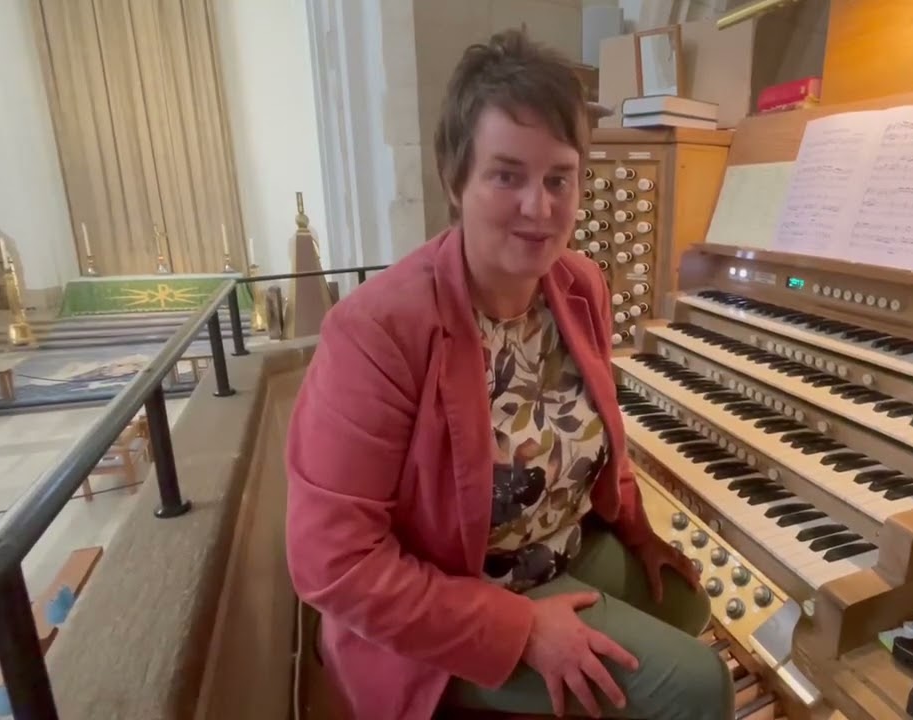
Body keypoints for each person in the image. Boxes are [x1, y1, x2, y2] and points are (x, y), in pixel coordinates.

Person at [284, 29, 735, 720]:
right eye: (506, 175)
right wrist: (522, 630)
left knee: (690, 602)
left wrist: (642, 531)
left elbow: (596, 439)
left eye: (560, 177)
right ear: (454, 178)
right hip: (449, 604)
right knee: (700, 687)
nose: (540, 206)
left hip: (554, 551)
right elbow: (332, 563)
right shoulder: (375, 332)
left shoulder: (579, 286)